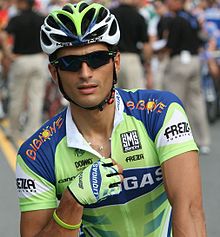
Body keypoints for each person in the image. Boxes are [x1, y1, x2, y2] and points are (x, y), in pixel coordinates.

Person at [16, 1, 207, 237]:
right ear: (54, 73)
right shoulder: (36, 154)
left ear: (115, 62)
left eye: (97, 59)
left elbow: (188, 211)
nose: (85, 73)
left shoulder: (159, 112)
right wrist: (72, 201)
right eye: (70, 63)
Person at [163, 0, 211, 155]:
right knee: (196, 101)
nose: (167, 3)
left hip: (180, 62)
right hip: (195, 60)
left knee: (174, 103)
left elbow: (171, 44)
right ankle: (203, 141)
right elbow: (202, 38)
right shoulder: (192, 16)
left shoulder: (177, 19)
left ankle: (177, 143)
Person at [1, 0, 47, 143]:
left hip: (20, 60)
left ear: (23, 3)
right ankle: (32, 131)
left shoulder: (16, 19)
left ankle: (13, 131)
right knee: (36, 98)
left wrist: (8, 54)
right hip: (39, 60)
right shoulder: (41, 18)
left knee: (17, 98)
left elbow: (2, 35)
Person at [111, 0, 152, 89]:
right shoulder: (138, 16)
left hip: (113, 58)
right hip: (132, 58)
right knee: (135, 97)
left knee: (113, 96)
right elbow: (146, 44)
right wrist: (148, 65)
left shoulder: (111, 14)